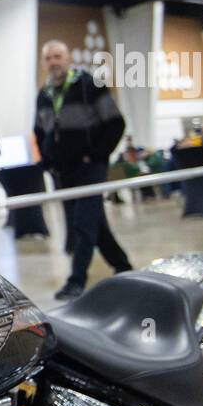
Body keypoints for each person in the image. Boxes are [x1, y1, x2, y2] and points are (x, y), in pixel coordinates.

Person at [33, 39, 132, 301]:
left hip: (90, 168)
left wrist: (96, 155)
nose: (54, 62)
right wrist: (48, 159)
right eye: (49, 58)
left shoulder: (90, 85)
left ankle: (76, 280)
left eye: (58, 56)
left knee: (82, 223)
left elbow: (116, 123)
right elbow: (39, 131)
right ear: (44, 63)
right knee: (95, 224)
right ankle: (122, 265)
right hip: (62, 173)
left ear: (68, 59)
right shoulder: (43, 95)